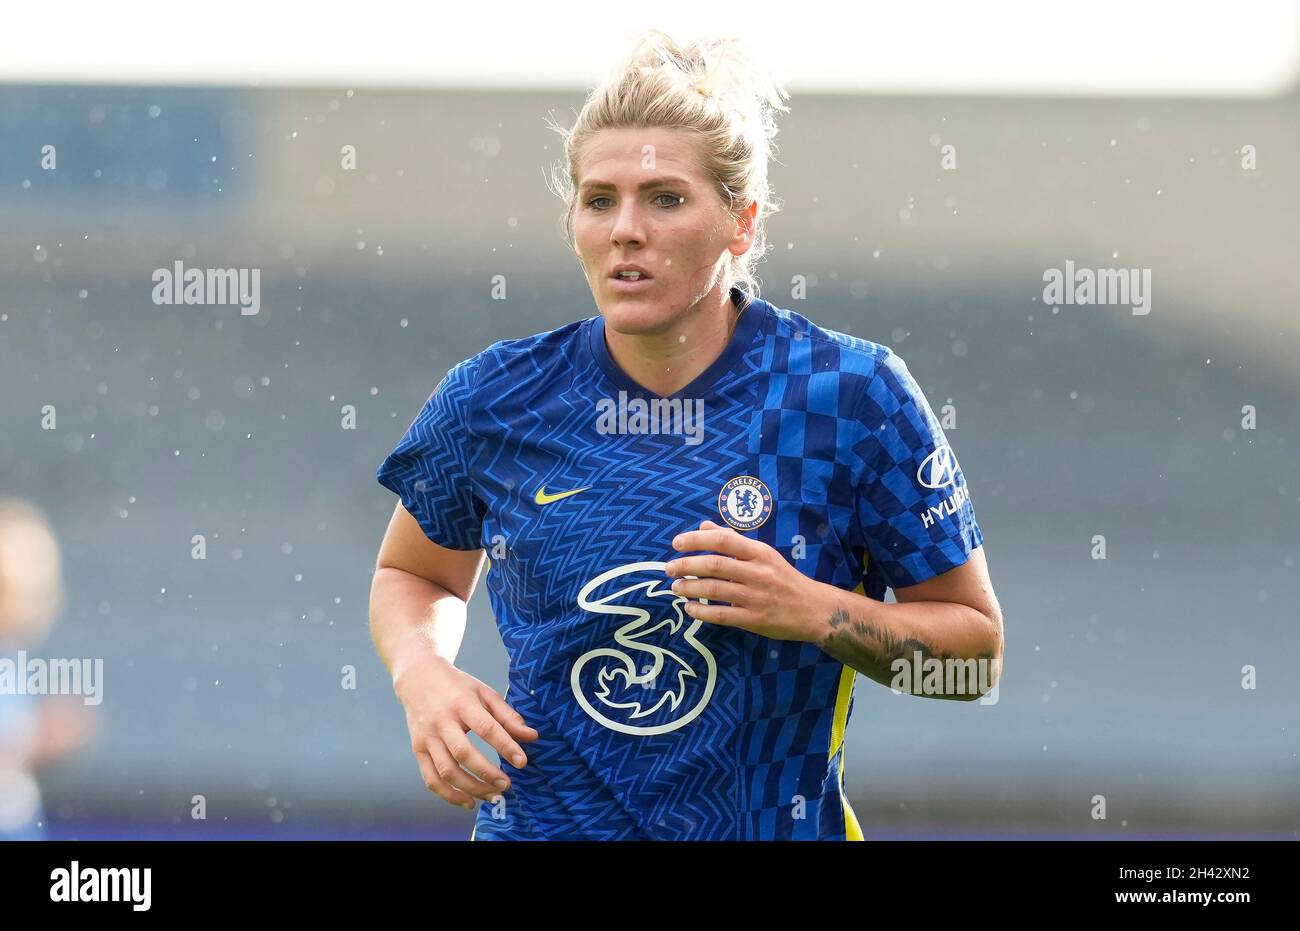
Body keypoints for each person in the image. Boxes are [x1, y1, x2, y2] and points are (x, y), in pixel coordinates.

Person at [371, 29, 1003, 840]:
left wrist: (815, 611)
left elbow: (971, 659)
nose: (625, 229)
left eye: (665, 198)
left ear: (741, 222)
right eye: (600, 199)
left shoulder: (852, 396)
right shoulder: (498, 396)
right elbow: (413, 574)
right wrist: (424, 674)